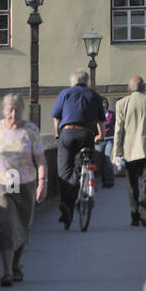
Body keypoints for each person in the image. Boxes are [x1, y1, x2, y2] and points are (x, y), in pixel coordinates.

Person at [0, 93, 47, 287]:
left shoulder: (30, 130)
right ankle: (7, 272)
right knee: (6, 226)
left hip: (25, 183)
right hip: (0, 184)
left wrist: (42, 182)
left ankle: (16, 265)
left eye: (17, 110)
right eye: (9, 110)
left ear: (23, 110)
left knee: (23, 224)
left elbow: (40, 159)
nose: (13, 114)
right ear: (4, 110)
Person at [51, 70, 105, 229]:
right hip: (86, 134)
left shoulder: (65, 93)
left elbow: (56, 117)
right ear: (87, 81)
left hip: (67, 133)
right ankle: (69, 206)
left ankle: (65, 206)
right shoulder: (94, 95)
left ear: (73, 81)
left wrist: (57, 134)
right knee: (79, 168)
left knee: (63, 171)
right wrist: (100, 135)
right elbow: (101, 120)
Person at [112, 76, 146, 226]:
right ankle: (144, 201)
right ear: (144, 88)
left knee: (131, 185)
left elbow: (118, 130)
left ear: (128, 89)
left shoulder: (121, 103)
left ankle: (135, 214)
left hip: (129, 151)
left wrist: (116, 152)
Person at [96, 96, 116, 189]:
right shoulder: (96, 114)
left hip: (109, 139)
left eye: (105, 102)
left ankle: (109, 181)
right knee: (98, 161)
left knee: (107, 159)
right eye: (102, 103)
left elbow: (117, 125)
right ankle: (99, 181)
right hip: (99, 140)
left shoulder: (112, 114)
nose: (103, 104)